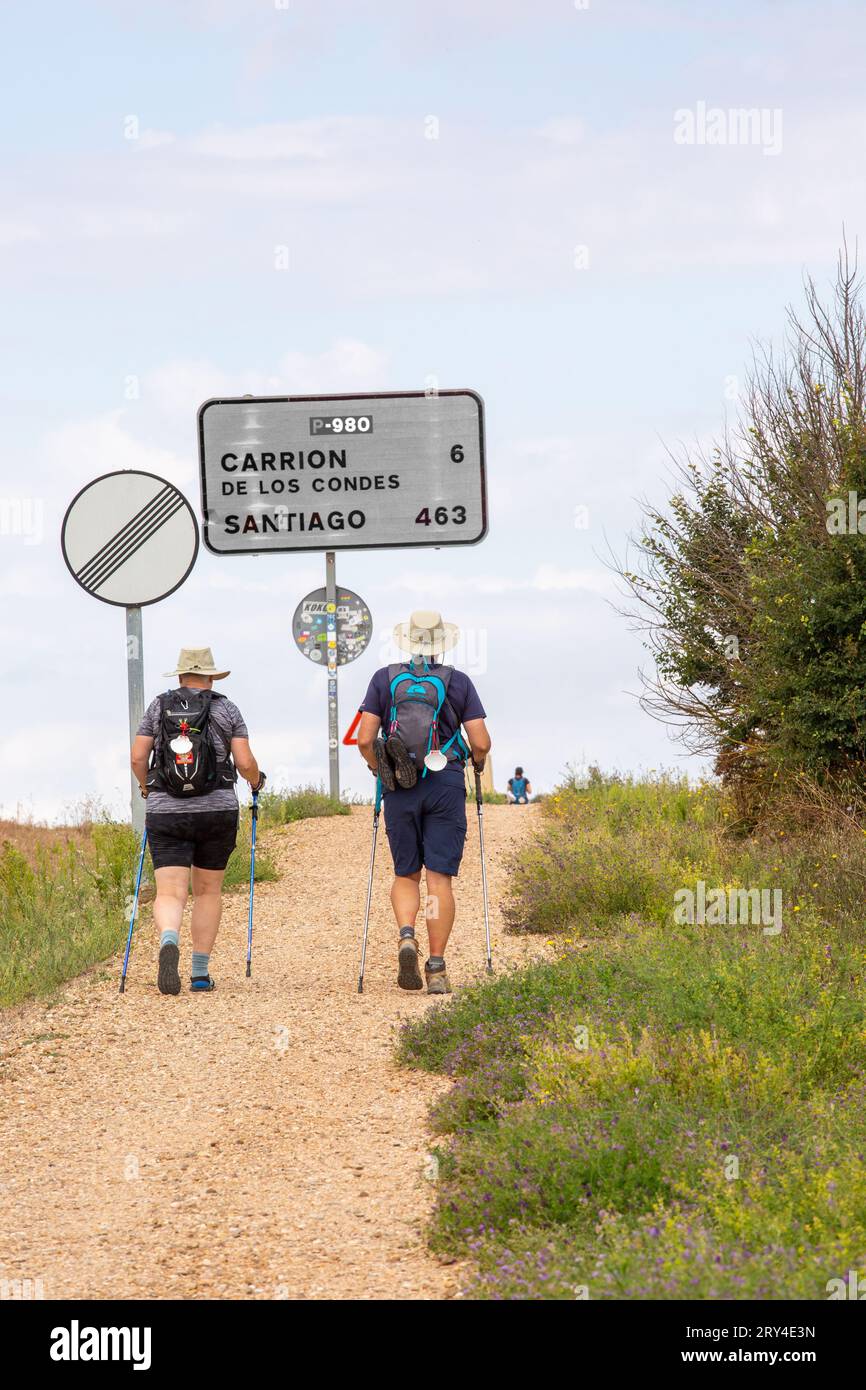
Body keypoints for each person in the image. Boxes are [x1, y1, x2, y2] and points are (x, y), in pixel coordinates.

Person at [356, 610, 491, 995]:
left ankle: (405, 935)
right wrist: (476, 764)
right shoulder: (459, 682)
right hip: (445, 781)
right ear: (441, 644)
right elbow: (480, 742)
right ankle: (435, 966)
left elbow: (366, 739)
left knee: (405, 873)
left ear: (407, 642)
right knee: (438, 878)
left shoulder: (384, 679)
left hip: (399, 784)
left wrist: (379, 769)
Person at [130, 646, 265, 996]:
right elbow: (245, 761)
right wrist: (255, 781)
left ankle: (168, 940)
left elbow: (137, 757)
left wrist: (148, 787)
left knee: (171, 892)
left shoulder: (159, 706)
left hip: (166, 812)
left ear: (179, 676)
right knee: (207, 891)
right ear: (210, 676)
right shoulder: (226, 708)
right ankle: (200, 973)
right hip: (216, 810)